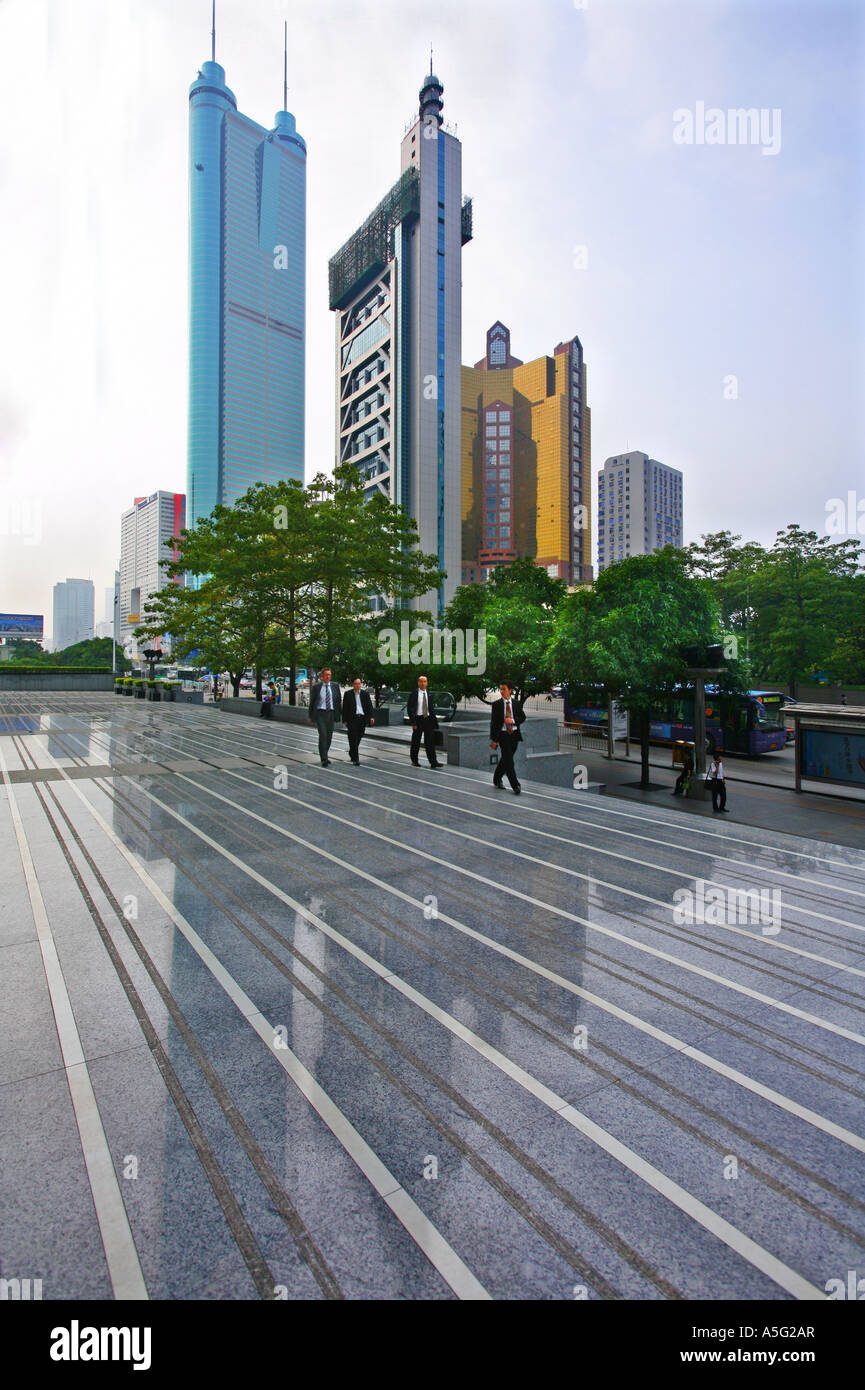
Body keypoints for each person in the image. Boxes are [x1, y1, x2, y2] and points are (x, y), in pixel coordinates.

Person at [490, 680, 525, 794]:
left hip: (514, 735)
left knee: (505, 759)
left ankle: (496, 778)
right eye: (500, 689)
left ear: (510, 690)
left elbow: (523, 717)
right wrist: (494, 739)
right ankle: (515, 785)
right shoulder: (496, 705)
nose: (501, 691)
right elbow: (494, 723)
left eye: (504, 689)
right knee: (509, 762)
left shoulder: (516, 703)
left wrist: (513, 721)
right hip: (503, 736)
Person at [308, 668, 342, 766]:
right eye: (326, 675)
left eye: (329, 675)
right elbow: (312, 702)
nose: (328, 677)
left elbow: (338, 701)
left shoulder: (335, 686)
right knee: (323, 735)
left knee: (329, 737)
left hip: (331, 713)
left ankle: (325, 753)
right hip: (320, 714)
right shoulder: (317, 687)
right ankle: (324, 759)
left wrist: (339, 713)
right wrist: (310, 715)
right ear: (322, 677)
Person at [407, 675, 442, 768]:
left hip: (428, 719)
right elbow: (410, 708)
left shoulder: (429, 693)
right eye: (421, 681)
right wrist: (413, 722)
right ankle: (414, 760)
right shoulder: (414, 693)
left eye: (425, 681)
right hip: (418, 719)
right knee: (416, 741)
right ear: (418, 683)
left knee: (430, 742)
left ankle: (433, 762)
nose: (423, 683)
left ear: (427, 683)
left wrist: (434, 722)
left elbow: (431, 708)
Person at [342, 677, 375, 765]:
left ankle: (352, 752)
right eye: (356, 683)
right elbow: (344, 708)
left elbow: (369, 706)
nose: (358, 685)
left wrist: (371, 717)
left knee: (359, 737)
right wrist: (344, 720)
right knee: (353, 737)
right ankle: (356, 759)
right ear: (353, 684)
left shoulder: (365, 694)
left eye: (359, 683)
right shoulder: (348, 694)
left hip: (362, 719)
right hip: (352, 719)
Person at [706, 748, 729, 812]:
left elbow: (721, 772)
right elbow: (715, 772)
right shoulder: (713, 764)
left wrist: (723, 778)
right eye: (720, 757)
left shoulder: (721, 763)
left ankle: (722, 807)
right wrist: (717, 765)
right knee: (715, 795)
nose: (721, 758)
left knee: (723, 795)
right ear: (717, 758)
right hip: (715, 781)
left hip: (720, 781)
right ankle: (715, 808)